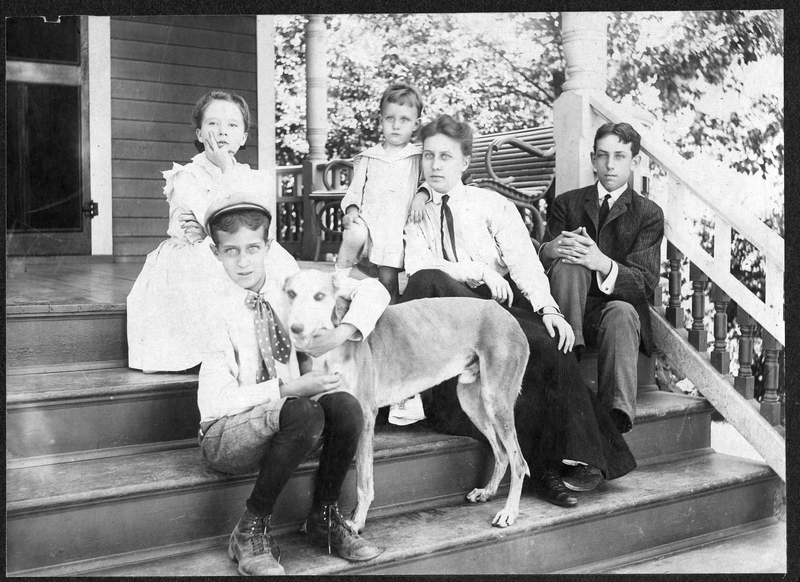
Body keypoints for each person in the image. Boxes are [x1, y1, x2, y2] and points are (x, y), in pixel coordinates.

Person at [402, 114, 636, 507]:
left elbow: (524, 262)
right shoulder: (418, 211)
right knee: (428, 278)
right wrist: (475, 270)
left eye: (446, 156)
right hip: (449, 327)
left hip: (497, 309)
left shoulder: (490, 204)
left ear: (465, 161)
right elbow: (416, 269)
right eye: (428, 157)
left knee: (546, 347)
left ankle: (552, 465)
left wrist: (549, 310)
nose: (436, 165)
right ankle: (537, 466)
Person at [198, 191, 389, 576]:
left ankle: (323, 518)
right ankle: (250, 528)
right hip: (227, 435)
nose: (244, 260)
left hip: (288, 424)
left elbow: (374, 290)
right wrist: (285, 391)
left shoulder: (284, 292)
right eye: (231, 251)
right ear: (216, 253)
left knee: (346, 406)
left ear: (268, 246)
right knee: (301, 409)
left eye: (253, 248)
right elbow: (216, 403)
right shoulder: (212, 309)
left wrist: (343, 332)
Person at [127, 90, 294, 372]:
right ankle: (222, 354)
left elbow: (260, 228)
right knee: (212, 260)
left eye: (232, 125)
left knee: (278, 260)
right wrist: (216, 221)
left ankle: (271, 346)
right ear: (200, 133)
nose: (222, 132)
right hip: (194, 254)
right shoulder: (186, 176)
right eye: (213, 124)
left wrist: (227, 178)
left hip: (233, 247)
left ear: (243, 137)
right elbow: (222, 224)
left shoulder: (255, 179)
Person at [539, 122, 664, 436]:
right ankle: (568, 362)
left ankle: (615, 418)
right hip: (568, 310)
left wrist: (602, 262)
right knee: (568, 263)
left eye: (620, 156)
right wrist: (549, 249)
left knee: (622, 313)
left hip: (613, 314)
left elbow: (643, 283)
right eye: (603, 156)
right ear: (593, 159)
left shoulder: (648, 213)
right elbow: (538, 269)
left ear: (634, 162)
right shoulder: (567, 203)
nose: (610, 165)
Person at [335, 82, 428, 425]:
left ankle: (385, 323)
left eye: (404, 119)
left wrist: (422, 194)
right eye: (390, 118)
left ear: (416, 123)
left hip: (397, 232)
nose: (396, 125)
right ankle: (342, 275)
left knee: (389, 283)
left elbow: (428, 183)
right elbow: (354, 191)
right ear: (381, 120)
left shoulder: (417, 156)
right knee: (364, 258)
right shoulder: (370, 157)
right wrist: (352, 208)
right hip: (373, 228)